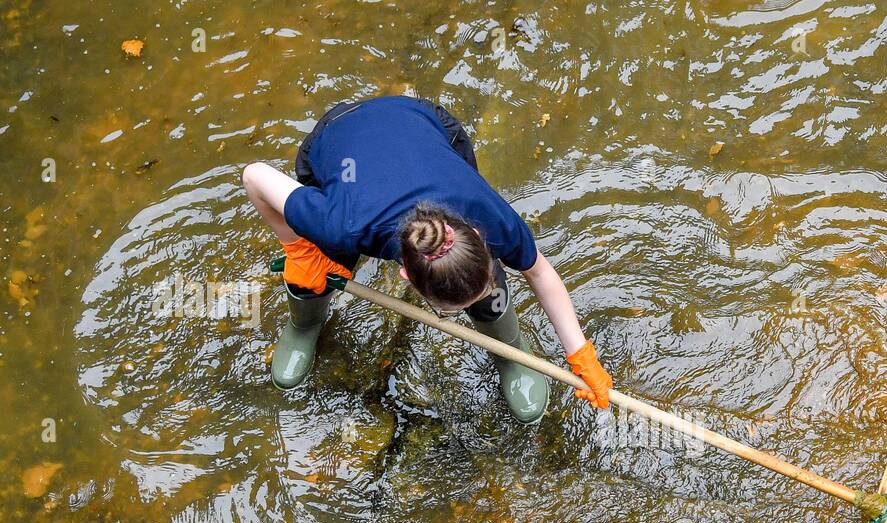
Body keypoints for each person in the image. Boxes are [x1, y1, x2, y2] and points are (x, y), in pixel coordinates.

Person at [241, 95, 611, 423]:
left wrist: (581, 354)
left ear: (480, 236)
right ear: (405, 274)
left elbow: (539, 272)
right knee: (313, 266)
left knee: (471, 276)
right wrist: (298, 249)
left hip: (423, 122)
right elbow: (255, 176)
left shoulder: (489, 214)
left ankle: (509, 350)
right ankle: (305, 325)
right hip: (337, 138)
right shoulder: (342, 223)